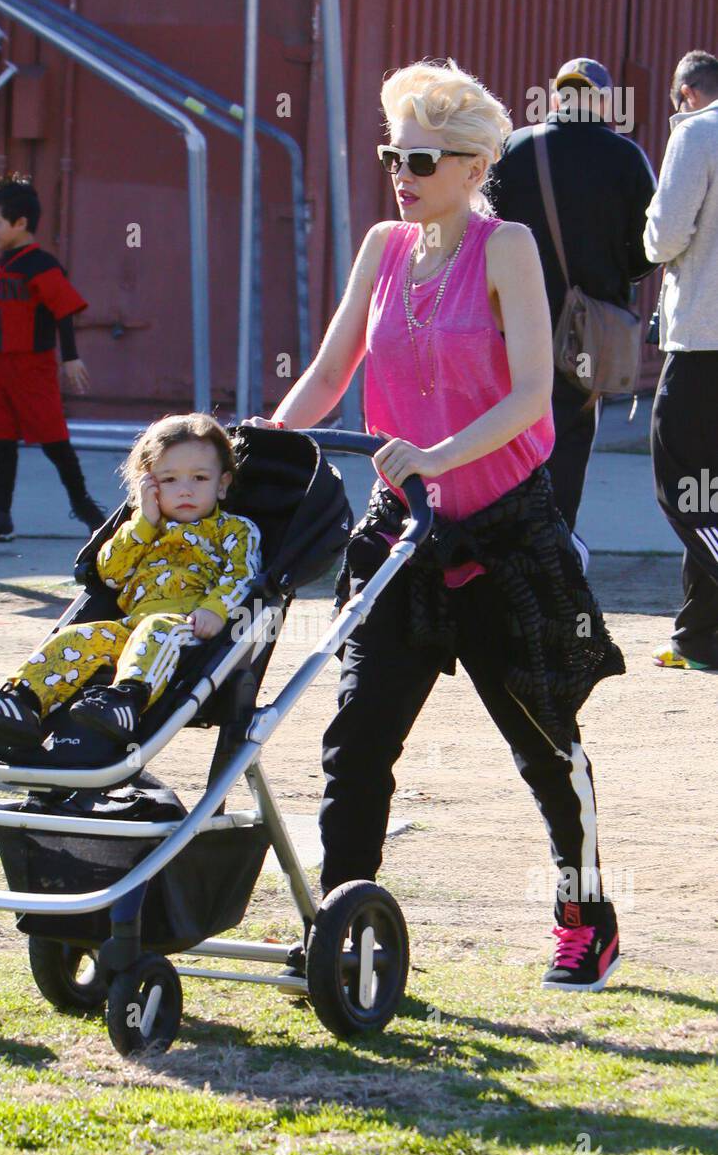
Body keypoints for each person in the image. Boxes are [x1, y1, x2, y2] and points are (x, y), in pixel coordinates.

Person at [244, 58, 625, 992]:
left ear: (470, 164)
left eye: (420, 157)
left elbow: (534, 396)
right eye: (391, 154)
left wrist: (436, 455)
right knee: (356, 740)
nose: (401, 173)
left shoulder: (508, 249)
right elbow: (332, 372)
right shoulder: (382, 245)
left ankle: (585, 918)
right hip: (398, 539)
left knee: (543, 741)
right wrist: (257, 443)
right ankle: (344, 929)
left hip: (503, 536)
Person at [0, 413, 262, 747]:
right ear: (148, 485)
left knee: (156, 629)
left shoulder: (234, 530)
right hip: (129, 630)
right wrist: (144, 522)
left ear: (223, 483)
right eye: (169, 480)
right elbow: (110, 576)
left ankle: (126, 701)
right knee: (77, 636)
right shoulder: (141, 530)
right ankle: (22, 701)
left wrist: (215, 609)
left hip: (188, 631)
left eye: (199, 478)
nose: (184, 490)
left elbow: (242, 575)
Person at [491, 58, 657, 536]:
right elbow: (647, 251)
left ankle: (502, 546)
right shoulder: (625, 158)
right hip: (588, 333)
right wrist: (608, 278)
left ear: (557, 96)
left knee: (506, 432)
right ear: (603, 101)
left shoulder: (513, 148)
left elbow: (481, 233)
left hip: (512, 325)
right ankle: (556, 549)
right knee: (569, 439)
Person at [0, 172, 105, 543]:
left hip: (33, 368)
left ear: (20, 223)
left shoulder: (42, 266)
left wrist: (70, 358)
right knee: (1, 444)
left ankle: (90, 512)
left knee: (56, 443)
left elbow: (63, 311)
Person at [645, 51, 718, 671]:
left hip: (702, 339)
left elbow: (666, 234)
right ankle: (699, 637)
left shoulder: (697, 132)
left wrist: (648, 236)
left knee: (680, 488)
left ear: (687, 92)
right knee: (711, 489)